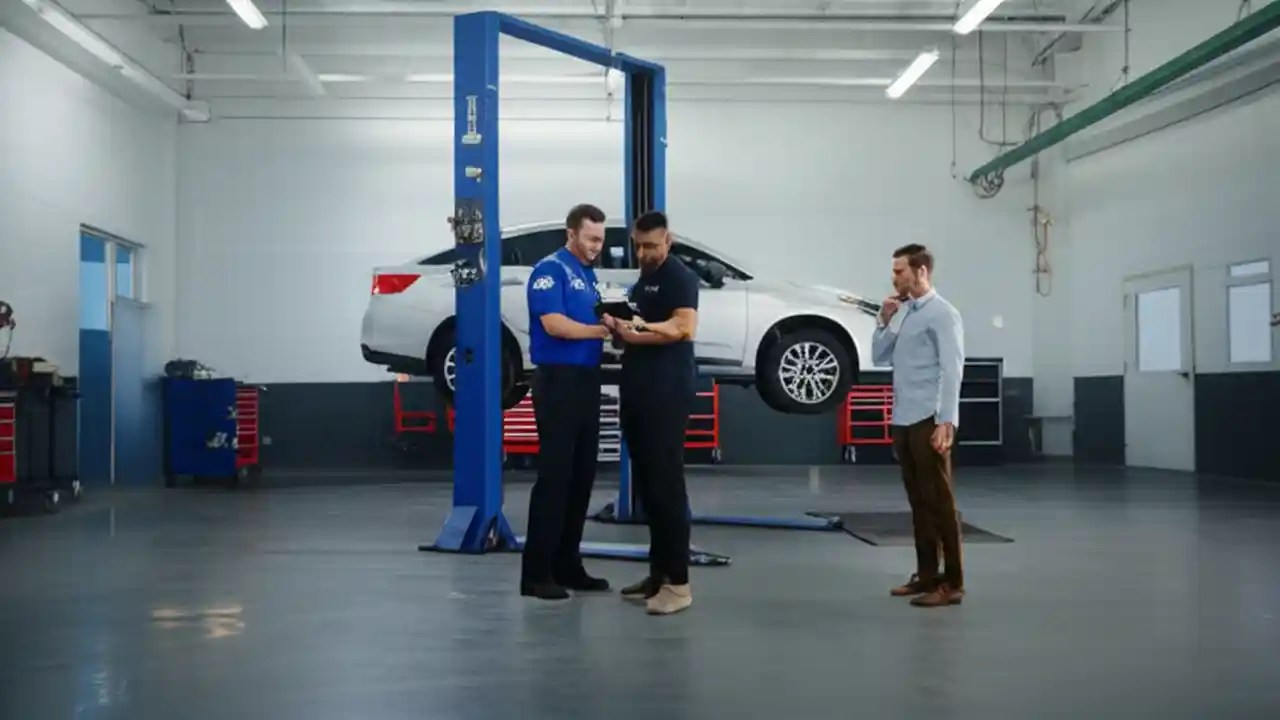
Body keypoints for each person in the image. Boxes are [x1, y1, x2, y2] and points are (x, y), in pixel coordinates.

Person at [604, 211, 700, 616]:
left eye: (651, 246)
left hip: (666, 393)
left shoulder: (679, 276)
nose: (643, 252)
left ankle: (678, 584)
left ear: (668, 241)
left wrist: (641, 328)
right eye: (638, 245)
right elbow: (643, 331)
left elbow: (684, 328)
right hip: (640, 391)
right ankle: (658, 574)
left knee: (666, 486)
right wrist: (621, 328)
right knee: (648, 485)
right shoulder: (644, 279)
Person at [520, 203, 614, 601]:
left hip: (586, 381)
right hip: (557, 382)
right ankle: (537, 574)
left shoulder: (587, 276)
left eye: (601, 240)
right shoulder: (550, 270)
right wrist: (601, 331)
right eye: (591, 238)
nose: (597, 246)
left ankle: (567, 564)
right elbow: (553, 324)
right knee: (556, 478)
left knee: (581, 478)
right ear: (571, 234)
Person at [871, 243, 966, 609]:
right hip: (904, 418)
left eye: (900, 271)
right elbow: (880, 356)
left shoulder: (943, 314)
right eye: (894, 271)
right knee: (918, 502)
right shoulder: (907, 312)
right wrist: (884, 319)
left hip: (929, 418)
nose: (894, 277)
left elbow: (952, 369)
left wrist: (947, 421)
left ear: (921, 271)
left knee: (940, 502)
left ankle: (953, 583)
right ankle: (927, 575)